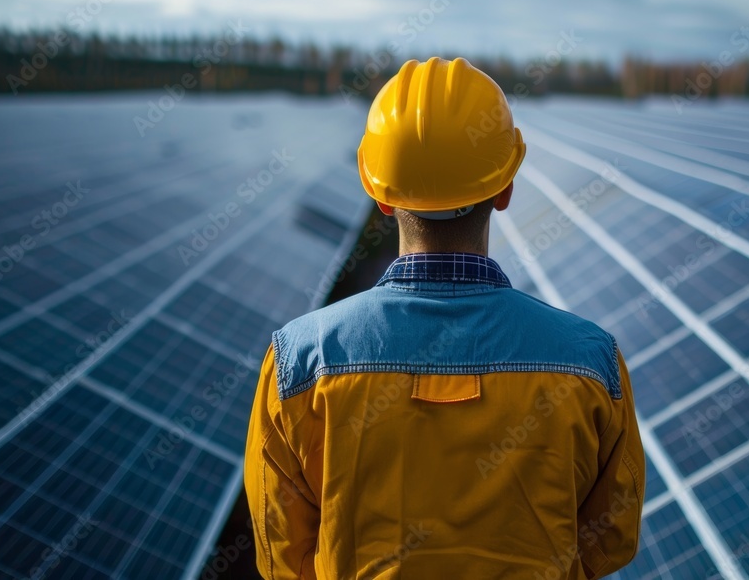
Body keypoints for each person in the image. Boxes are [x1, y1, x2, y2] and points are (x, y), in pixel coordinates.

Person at [244, 56, 644, 579]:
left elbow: (282, 556)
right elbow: (610, 539)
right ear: (505, 190)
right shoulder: (592, 362)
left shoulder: (300, 362)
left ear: (380, 197)